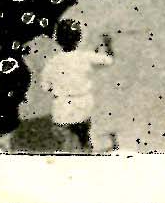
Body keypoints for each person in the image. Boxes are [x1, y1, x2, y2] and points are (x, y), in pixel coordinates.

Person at [41, 19, 114, 153]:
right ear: (79, 39)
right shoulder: (85, 57)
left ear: (57, 40)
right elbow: (108, 60)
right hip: (82, 105)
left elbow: (46, 87)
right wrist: (108, 44)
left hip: (61, 108)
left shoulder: (52, 62)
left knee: (65, 145)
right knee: (84, 139)